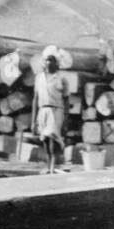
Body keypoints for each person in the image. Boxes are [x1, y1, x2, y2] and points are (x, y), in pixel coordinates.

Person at [31, 45, 69, 173]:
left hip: (56, 111)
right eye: (47, 59)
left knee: (52, 137)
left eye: (52, 60)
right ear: (44, 62)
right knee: (46, 140)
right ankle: (48, 166)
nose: (49, 62)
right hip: (43, 111)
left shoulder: (61, 78)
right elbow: (35, 99)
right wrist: (33, 121)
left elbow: (66, 99)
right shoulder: (39, 78)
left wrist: (66, 120)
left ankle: (52, 167)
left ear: (56, 62)